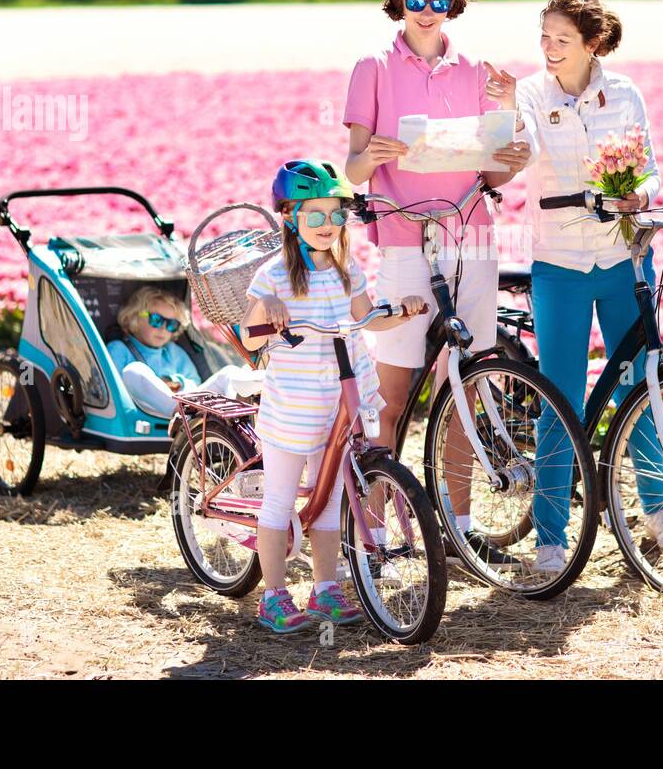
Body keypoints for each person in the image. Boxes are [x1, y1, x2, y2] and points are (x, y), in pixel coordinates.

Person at [487, 0, 663, 573]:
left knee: (638, 385)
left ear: (592, 42)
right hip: (560, 265)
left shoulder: (623, 92)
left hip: (625, 261)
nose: (549, 49)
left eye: (562, 39)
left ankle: (658, 514)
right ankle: (551, 536)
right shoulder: (528, 92)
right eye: (544, 37)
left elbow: (649, 164)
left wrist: (643, 193)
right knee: (560, 397)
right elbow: (511, 158)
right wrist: (503, 109)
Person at [343, 0, 534, 561]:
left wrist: (510, 142)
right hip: (404, 241)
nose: (428, 12)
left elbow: (495, 175)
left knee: (468, 386)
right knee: (392, 393)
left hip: (472, 237)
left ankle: (459, 523)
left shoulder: (480, 70)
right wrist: (369, 158)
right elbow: (350, 170)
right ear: (397, 1)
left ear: (455, 2)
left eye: (440, 1)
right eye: (416, 1)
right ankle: (367, 530)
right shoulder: (372, 66)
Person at [239, 159, 428, 633]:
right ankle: (273, 595)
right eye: (315, 215)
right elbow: (250, 337)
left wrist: (400, 313)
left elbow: (368, 317)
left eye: (336, 214)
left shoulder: (347, 271)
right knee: (281, 498)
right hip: (296, 405)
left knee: (328, 503)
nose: (328, 225)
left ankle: (325, 589)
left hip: (344, 397)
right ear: (289, 216)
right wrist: (269, 309)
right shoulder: (274, 274)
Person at [107, 285, 246, 418]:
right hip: (147, 410)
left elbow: (194, 383)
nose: (163, 329)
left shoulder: (173, 351)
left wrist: (175, 382)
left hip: (190, 406)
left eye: (172, 324)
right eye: (156, 320)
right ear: (135, 317)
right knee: (134, 370)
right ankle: (180, 414)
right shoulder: (119, 348)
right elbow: (114, 389)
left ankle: (235, 417)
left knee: (230, 372)